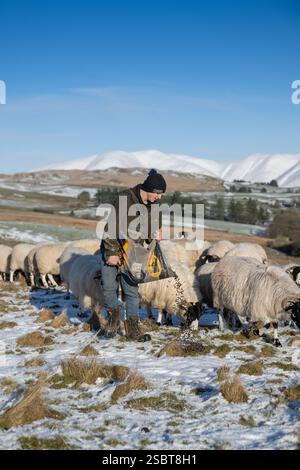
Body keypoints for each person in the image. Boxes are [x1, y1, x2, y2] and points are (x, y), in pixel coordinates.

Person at [99, 169, 167, 340]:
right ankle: (113, 321)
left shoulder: (155, 205)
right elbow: (110, 228)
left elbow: (153, 226)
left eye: (161, 195)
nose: (159, 198)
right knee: (109, 287)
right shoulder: (125, 199)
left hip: (134, 254)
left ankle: (133, 330)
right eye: (158, 194)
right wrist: (112, 253)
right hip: (114, 248)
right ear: (149, 189)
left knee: (131, 290)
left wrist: (157, 232)